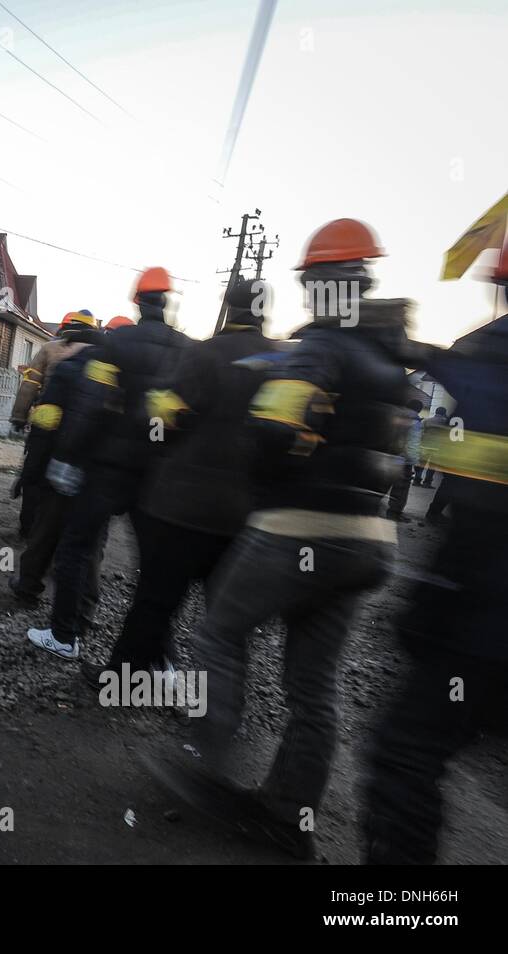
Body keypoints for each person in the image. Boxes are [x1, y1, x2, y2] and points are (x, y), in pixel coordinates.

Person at [154, 219, 410, 859]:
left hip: (300, 527)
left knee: (219, 631)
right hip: (371, 542)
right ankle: (289, 815)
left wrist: (265, 483)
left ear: (322, 284)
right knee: (314, 686)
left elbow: (272, 435)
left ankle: (203, 760)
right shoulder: (391, 359)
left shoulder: (317, 348)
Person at [363, 261, 508, 864]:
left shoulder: (493, 353)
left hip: (486, 622)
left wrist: (394, 341)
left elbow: (472, 365)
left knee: (407, 751)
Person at [93, 278, 274, 679]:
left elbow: (162, 418)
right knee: (227, 615)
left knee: (155, 600)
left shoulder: (205, 354)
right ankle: (221, 709)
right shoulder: (281, 363)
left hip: (180, 508)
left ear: (229, 307)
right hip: (244, 515)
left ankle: (128, 682)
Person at [25, 267, 188, 660]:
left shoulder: (118, 345)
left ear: (137, 302)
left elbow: (91, 404)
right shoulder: (186, 349)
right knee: (155, 571)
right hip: (155, 475)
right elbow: (183, 414)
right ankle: (162, 659)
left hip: (108, 468)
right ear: (168, 301)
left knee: (76, 549)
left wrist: (67, 458)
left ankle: (65, 636)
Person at [8, 313, 103, 603]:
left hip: (49, 433)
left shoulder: (50, 350)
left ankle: (28, 537)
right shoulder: (108, 360)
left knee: (39, 493)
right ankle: (81, 601)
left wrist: (19, 417)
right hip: (89, 450)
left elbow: (29, 387)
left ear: (66, 330)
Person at [384, 399, 423, 521]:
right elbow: (413, 443)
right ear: (419, 409)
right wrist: (414, 461)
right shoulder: (415, 421)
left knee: (384, 480)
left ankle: (370, 506)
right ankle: (394, 513)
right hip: (402, 458)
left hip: (388, 454)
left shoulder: (393, 415)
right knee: (402, 485)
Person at [413, 405, 449, 487]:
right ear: (444, 413)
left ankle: (416, 481)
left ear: (436, 412)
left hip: (424, 446)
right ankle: (427, 483)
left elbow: (420, 433)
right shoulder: (446, 422)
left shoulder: (427, 420)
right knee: (432, 466)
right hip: (437, 448)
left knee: (421, 464)